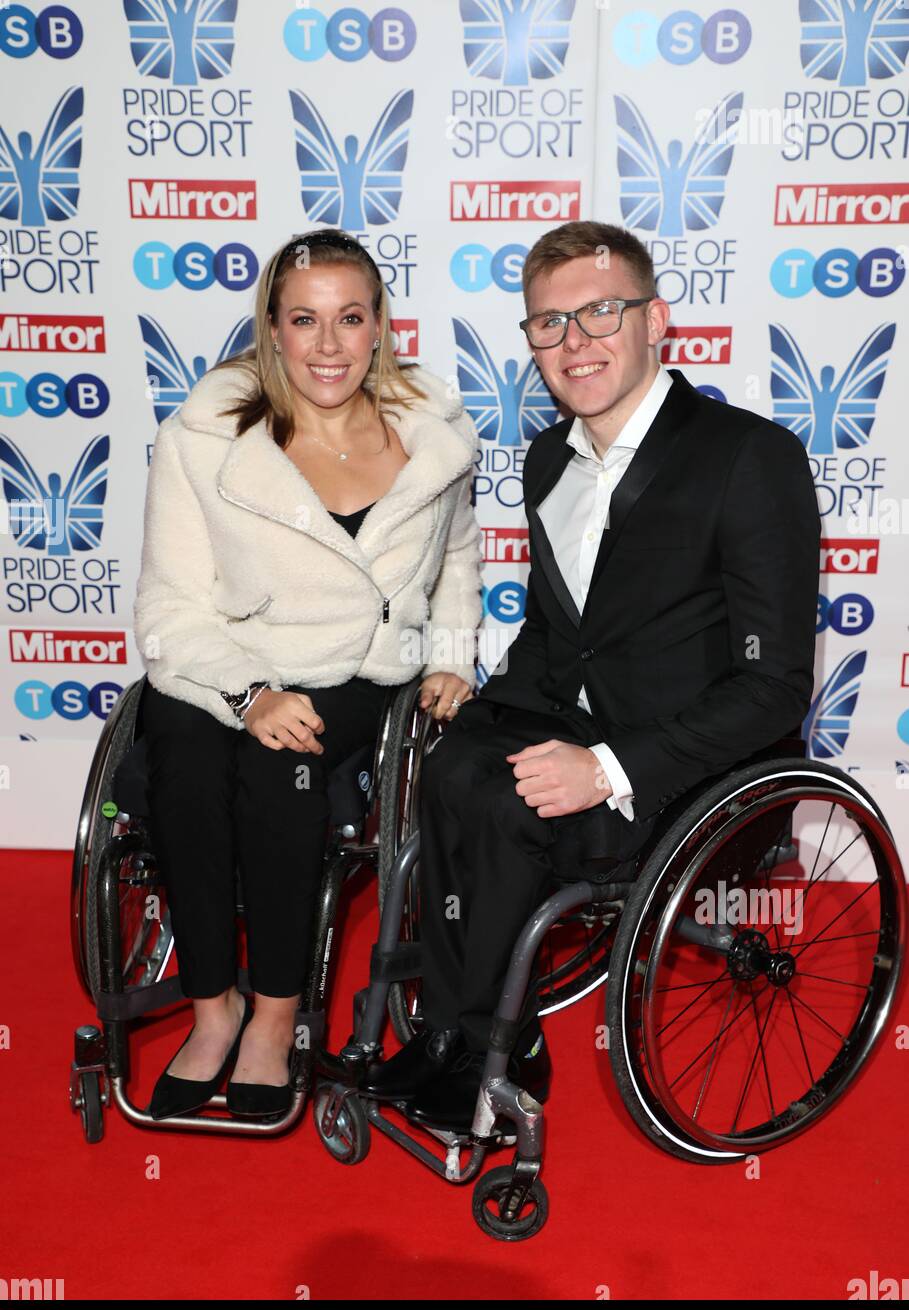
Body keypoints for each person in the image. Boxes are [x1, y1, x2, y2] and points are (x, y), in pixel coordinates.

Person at [364, 219, 821, 1129]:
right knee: (448, 770)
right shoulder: (545, 461)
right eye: (548, 324)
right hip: (568, 725)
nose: (574, 343)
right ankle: (458, 1032)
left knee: (499, 802)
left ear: (658, 322)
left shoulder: (748, 458)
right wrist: (483, 709)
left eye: (600, 313)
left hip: (688, 777)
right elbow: (558, 635)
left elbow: (771, 688)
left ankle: (504, 1058)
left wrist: (608, 768)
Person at [134, 228, 483, 1121]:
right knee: (180, 746)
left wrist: (450, 657)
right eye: (303, 320)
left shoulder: (431, 436)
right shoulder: (208, 438)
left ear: (377, 328)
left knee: (280, 765)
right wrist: (247, 693)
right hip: (227, 666)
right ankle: (214, 1005)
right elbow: (173, 608)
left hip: (353, 670)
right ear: (273, 331)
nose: (327, 345)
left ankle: (277, 1014)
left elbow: (458, 562)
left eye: (348, 319)